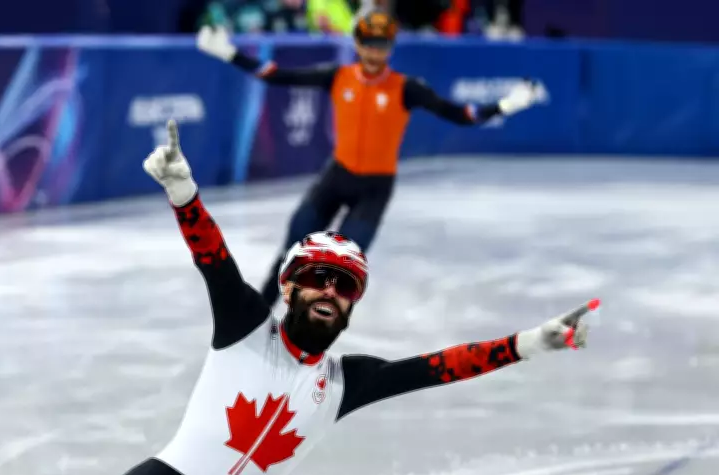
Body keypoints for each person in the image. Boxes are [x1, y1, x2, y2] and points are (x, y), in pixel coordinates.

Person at [54, 120, 598, 475]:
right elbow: (213, 259)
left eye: (345, 285)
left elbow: (440, 366)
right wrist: (183, 193)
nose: (331, 291)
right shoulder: (247, 328)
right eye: (318, 276)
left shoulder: (344, 383)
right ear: (289, 287)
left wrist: (530, 342)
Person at [196, 9, 546, 307]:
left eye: (382, 45)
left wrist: (506, 105)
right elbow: (276, 75)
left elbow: (459, 114)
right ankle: (257, 316)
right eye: (369, 44)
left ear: (390, 48)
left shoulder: (406, 88)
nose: (374, 53)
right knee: (293, 248)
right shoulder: (338, 76)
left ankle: (305, 338)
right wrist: (228, 53)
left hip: (374, 189)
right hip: (337, 176)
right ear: (358, 44)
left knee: (339, 268)